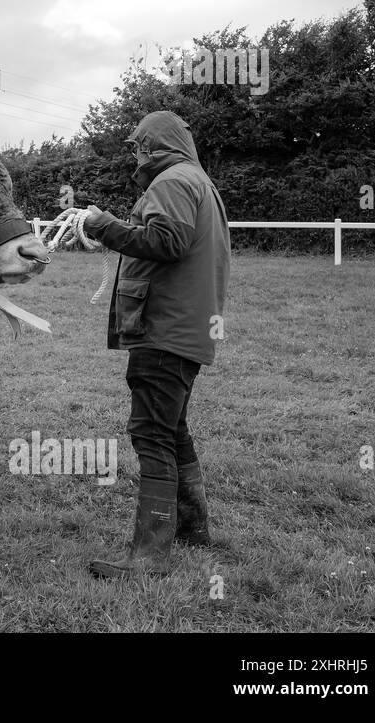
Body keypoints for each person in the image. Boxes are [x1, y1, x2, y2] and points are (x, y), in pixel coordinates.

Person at [81, 111, 231, 578]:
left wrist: (102, 224)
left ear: (154, 145)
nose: (135, 154)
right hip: (188, 330)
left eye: (138, 146)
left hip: (165, 329)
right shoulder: (198, 182)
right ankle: (192, 528)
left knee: (150, 433)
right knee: (172, 428)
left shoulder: (171, 182)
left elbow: (166, 241)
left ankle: (148, 557)